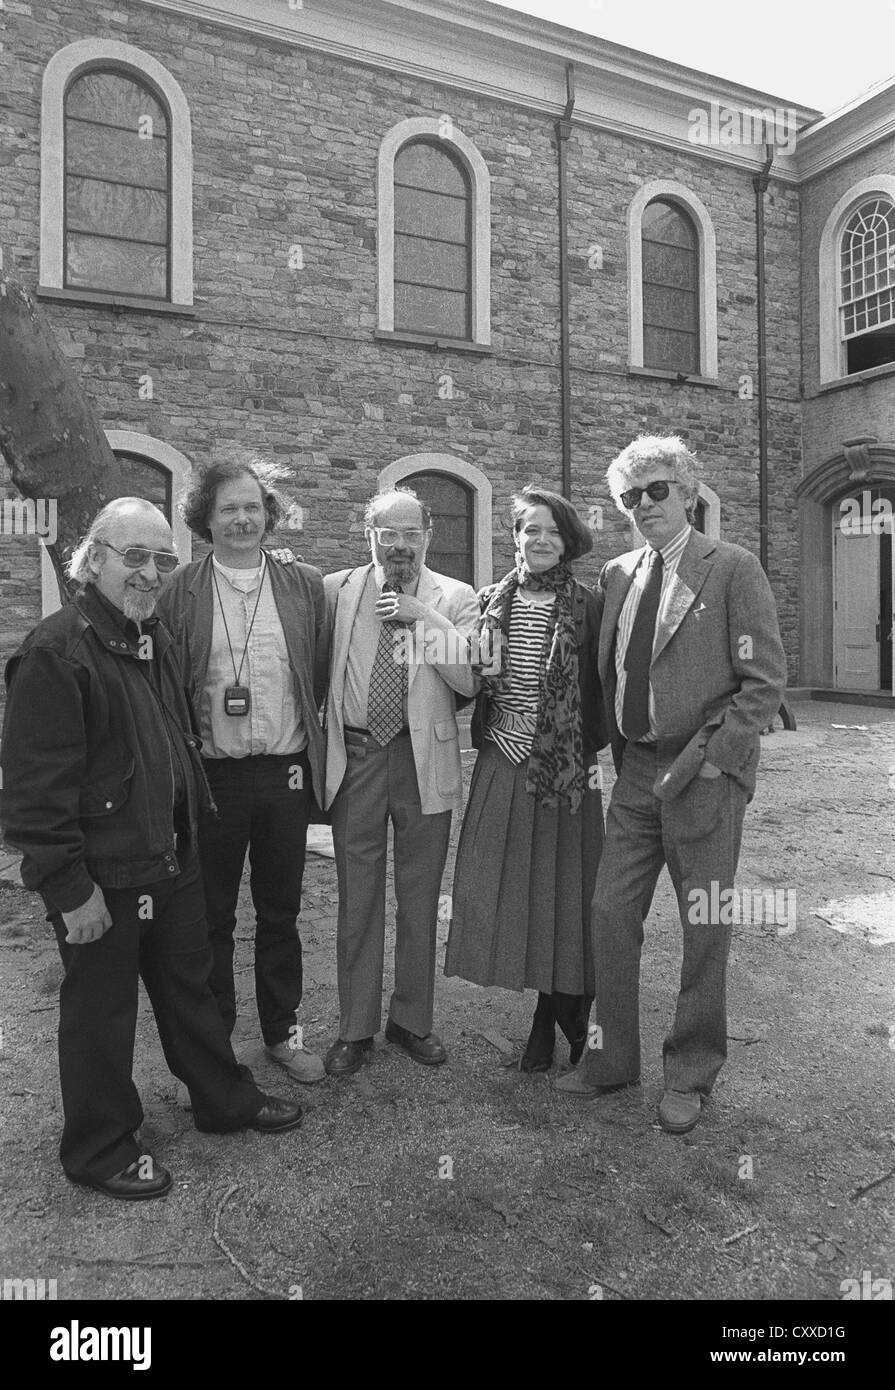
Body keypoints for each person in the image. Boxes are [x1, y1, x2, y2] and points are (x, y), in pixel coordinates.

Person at [0, 499, 303, 1201]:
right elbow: (33, 799)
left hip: (168, 856)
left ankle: (222, 1099)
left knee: (189, 991)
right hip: (101, 877)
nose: (148, 571)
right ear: (93, 558)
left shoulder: (149, 634)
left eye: (161, 559)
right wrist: (68, 892)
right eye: (133, 555)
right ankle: (101, 1148)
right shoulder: (55, 652)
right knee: (101, 1016)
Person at [556, 436, 787, 1134]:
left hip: (701, 775)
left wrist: (717, 759)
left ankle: (689, 1073)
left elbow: (763, 681)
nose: (643, 506)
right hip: (633, 772)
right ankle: (610, 1058)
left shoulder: (732, 569)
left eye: (655, 490)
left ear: (687, 492)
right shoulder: (619, 574)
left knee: (704, 925)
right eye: (629, 497)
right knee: (609, 912)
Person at [155, 454, 327, 1084]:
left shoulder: (303, 584)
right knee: (213, 917)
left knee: (281, 913)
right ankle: (217, 1042)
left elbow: (320, 666)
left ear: (269, 514)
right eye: (229, 507)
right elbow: (167, 681)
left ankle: (284, 1034)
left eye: (253, 506)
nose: (243, 517)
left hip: (285, 774)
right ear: (205, 517)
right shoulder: (180, 589)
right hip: (214, 777)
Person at [444, 487, 607, 1070]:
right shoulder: (491, 601)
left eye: (552, 532)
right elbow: (464, 684)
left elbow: (607, 689)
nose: (539, 541)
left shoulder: (589, 605)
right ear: (514, 537)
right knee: (507, 887)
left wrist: (575, 748)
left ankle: (559, 1014)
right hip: (501, 760)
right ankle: (549, 1012)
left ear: (569, 541)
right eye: (528, 530)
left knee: (565, 894)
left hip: (564, 770)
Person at [321, 488, 478, 1076]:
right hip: (359, 757)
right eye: (390, 533)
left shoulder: (454, 597)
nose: (402, 545)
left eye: (413, 533)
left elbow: (469, 679)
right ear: (370, 535)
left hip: (423, 761)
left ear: (429, 536)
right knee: (357, 897)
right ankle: (354, 1028)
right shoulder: (337, 591)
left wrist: (423, 617)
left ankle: (411, 1021)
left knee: (419, 897)